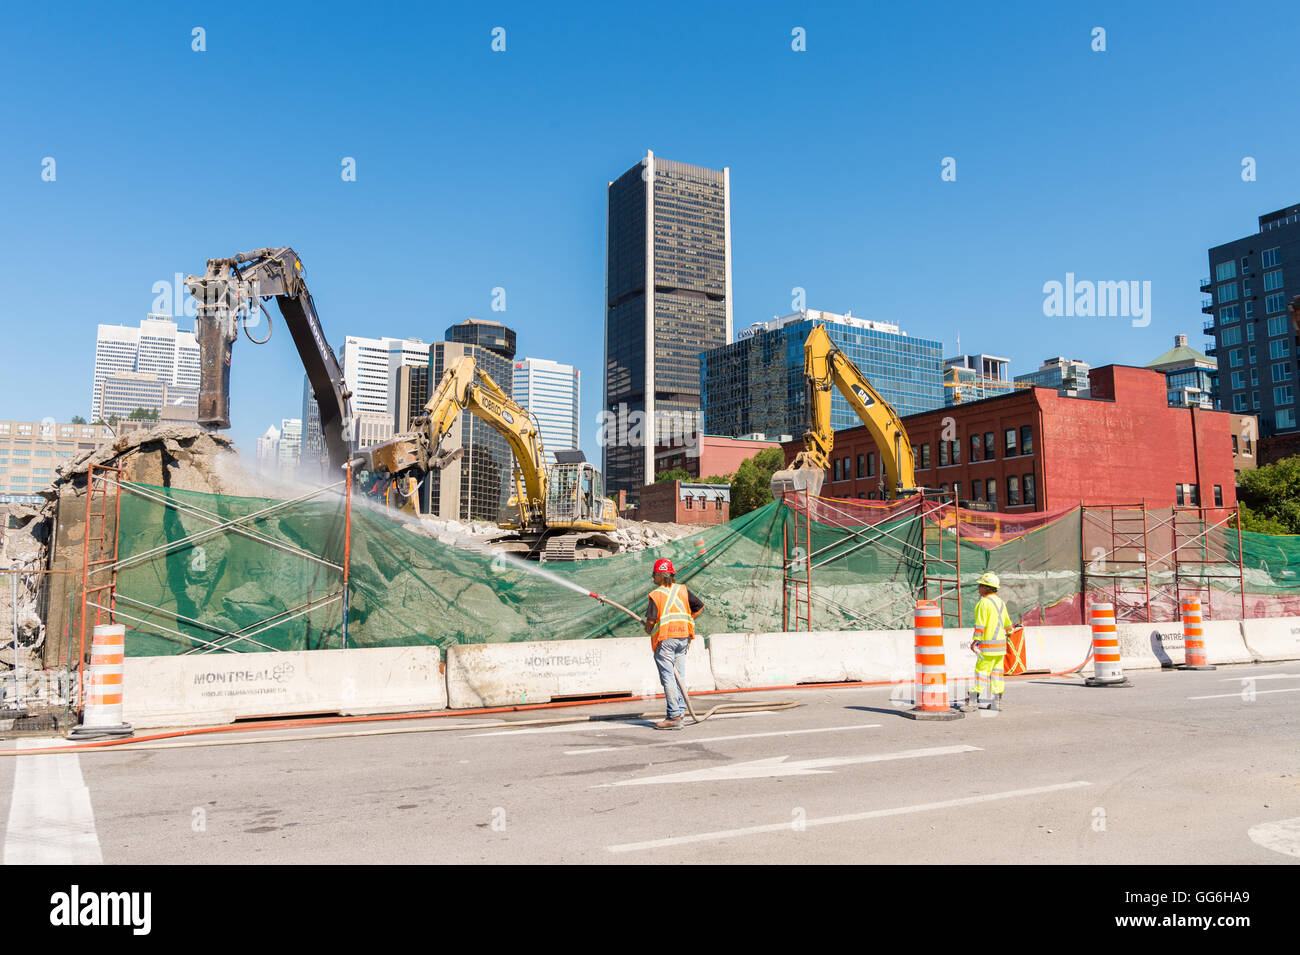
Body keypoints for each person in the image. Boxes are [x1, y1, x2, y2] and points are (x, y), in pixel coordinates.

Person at [643, 557, 704, 730]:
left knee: (668, 677)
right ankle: (681, 712)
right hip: (683, 639)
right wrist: (686, 621)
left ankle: (674, 716)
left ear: (661, 575)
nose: (652, 577)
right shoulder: (682, 590)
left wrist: (648, 629)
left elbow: (651, 621)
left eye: (654, 574)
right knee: (679, 676)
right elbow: (699, 607)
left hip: (666, 641)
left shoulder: (656, 595)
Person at [964, 571, 1013, 713]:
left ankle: (972, 701)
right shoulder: (1001, 602)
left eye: (981, 585)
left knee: (981, 672)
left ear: (986, 588)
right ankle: (997, 702)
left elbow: (981, 624)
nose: (978, 588)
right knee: (997, 674)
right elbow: (1007, 622)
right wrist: (1009, 632)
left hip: (987, 646)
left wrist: (975, 641)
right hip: (1000, 647)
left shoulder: (983, 603)